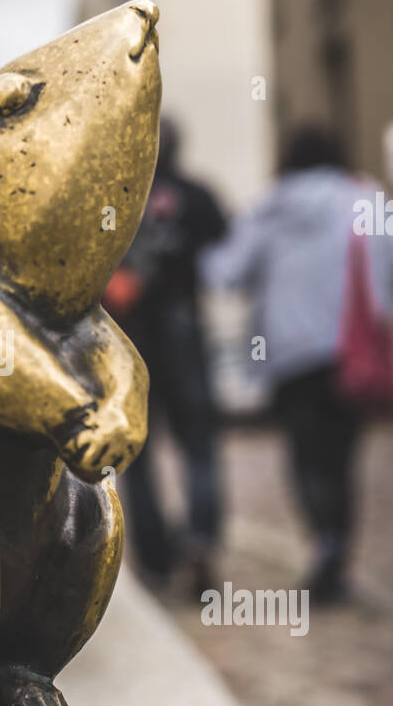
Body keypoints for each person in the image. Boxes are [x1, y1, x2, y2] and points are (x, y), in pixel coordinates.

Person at [203, 122, 393, 603]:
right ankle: (337, 550)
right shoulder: (366, 196)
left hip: (287, 352)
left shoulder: (270, 206)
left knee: (306, 459)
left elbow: (224, 272)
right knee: (342, 456)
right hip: (345, 350)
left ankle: (322, 542)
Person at [104, 118, 226, 593]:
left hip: (133, 341)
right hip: (184, 328)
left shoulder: (113, 198)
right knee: (199, 441)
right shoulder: (196, 194)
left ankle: (155, 557)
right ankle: (201, 538)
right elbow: (222, 238)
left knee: (137, 448)